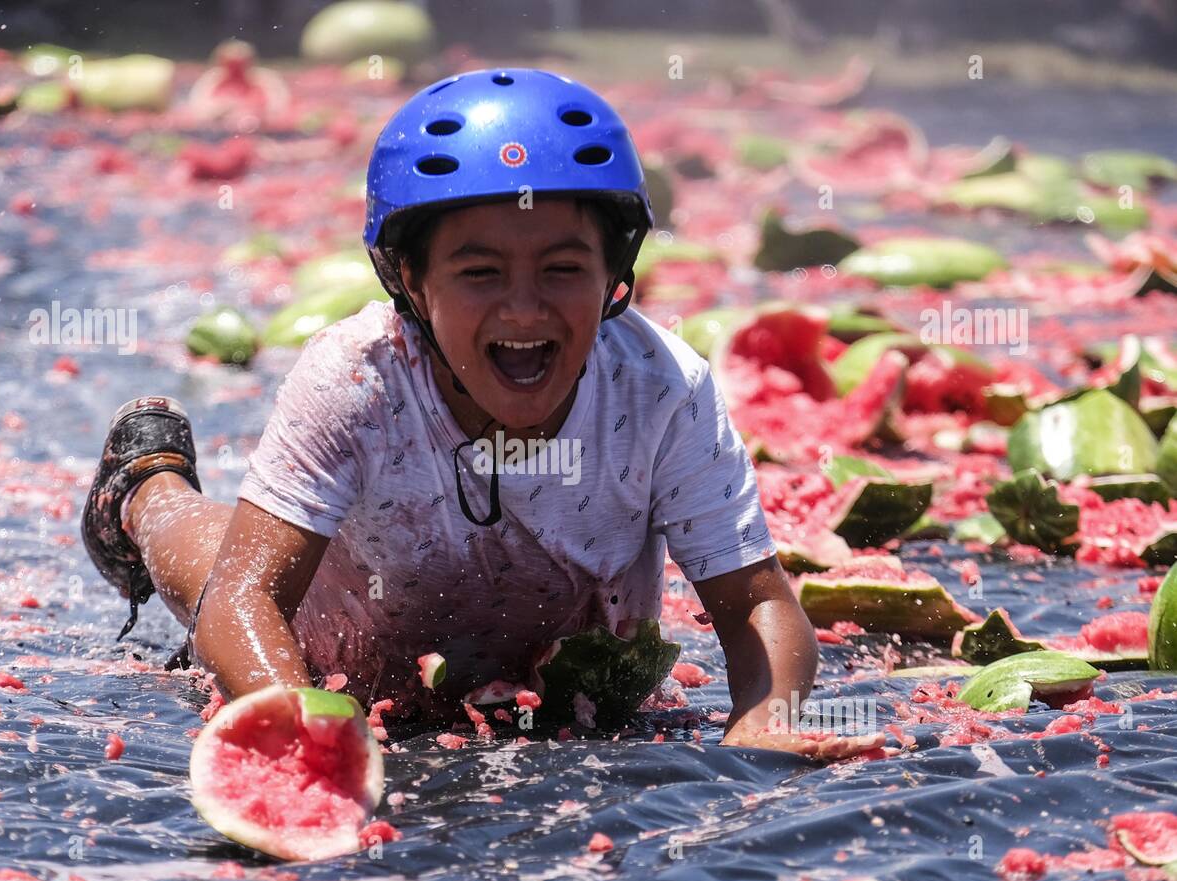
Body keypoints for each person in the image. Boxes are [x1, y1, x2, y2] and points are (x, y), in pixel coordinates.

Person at [80, 67, 883, 759]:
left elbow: (756, 603)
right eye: (480, 272)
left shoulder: (661, 388)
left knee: (253, 546)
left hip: (566, 688)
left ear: (615, 274)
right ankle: (148, 490)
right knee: (223, 563)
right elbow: (244, 600)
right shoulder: (354, 378)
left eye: (564, 267)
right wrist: (303, 738)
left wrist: (767, 716)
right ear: (407, 279)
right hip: (343, 643)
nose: (525, 307)